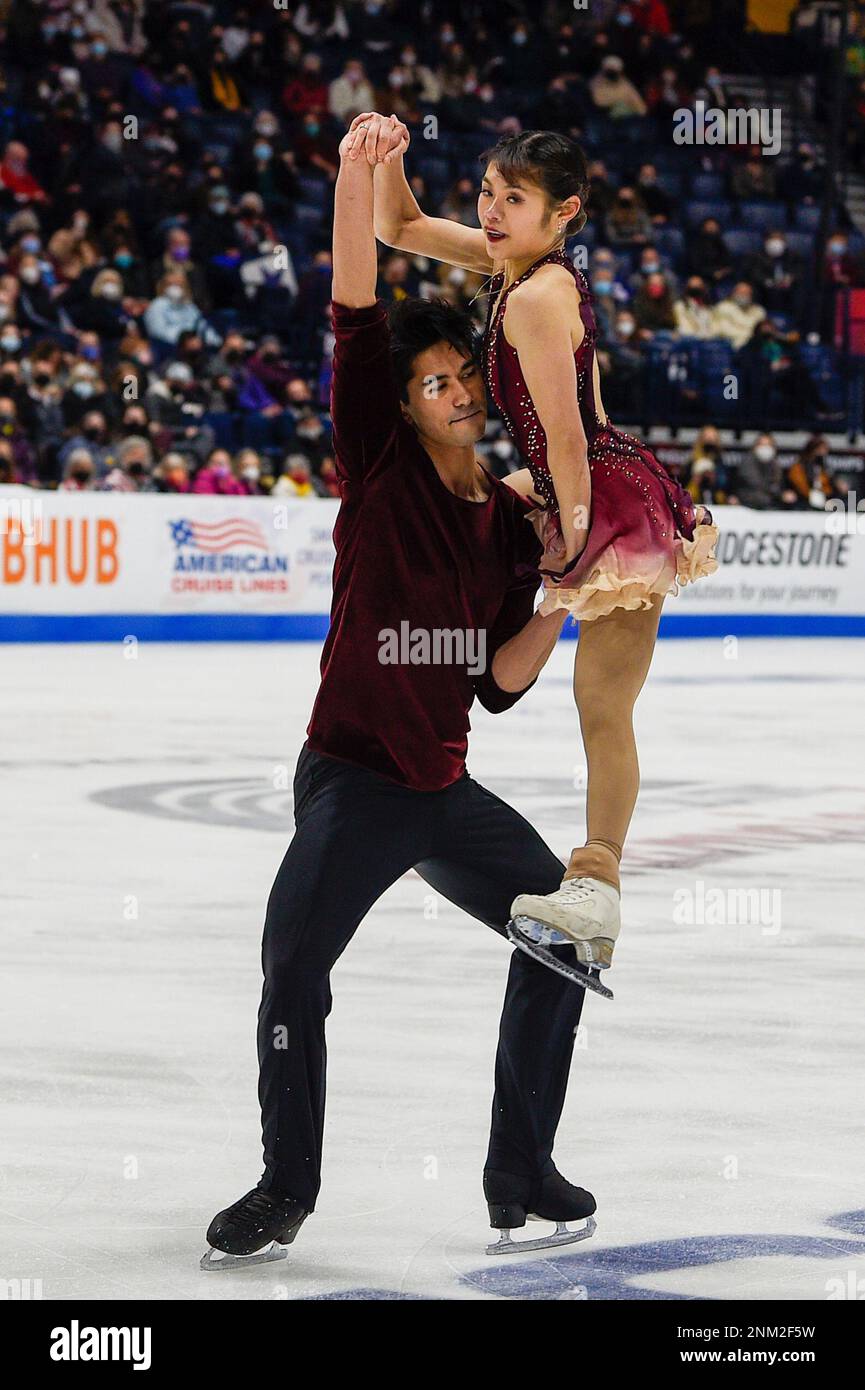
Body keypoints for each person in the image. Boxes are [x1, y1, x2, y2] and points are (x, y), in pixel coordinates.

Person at [203, 116, 598, 1270]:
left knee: (560, 938)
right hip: (353, 783)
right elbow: (357, 297)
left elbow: (498, 683)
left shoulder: (501, 524)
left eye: (464, 377)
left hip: (441, 785)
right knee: (292, 966)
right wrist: (350, 173)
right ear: (405, 398)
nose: (456, 392)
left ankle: (518, 1167)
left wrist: (557, 602)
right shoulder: (371, 452)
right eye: (433, 381)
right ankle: (287, 1184)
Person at [364, 113, 718, 984]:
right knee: (595, 693)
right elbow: (398, 228)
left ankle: (595, 885)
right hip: (579, 484)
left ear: (563, 213)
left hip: (600, 494)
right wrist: (387, 159)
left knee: (601, 704)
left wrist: (573, 535)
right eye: (487, 192)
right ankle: (468, 685)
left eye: (511, 199)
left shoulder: (534, 295)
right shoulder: (513, 269)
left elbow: (564, 437)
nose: (489, 210)